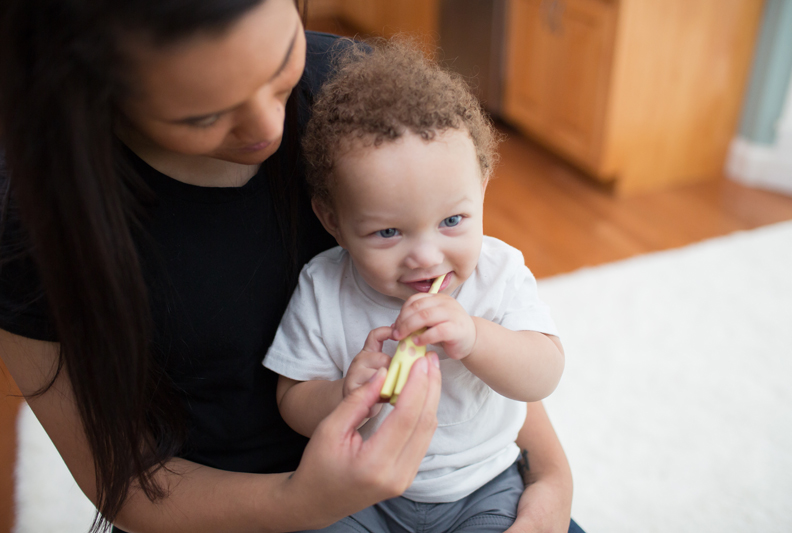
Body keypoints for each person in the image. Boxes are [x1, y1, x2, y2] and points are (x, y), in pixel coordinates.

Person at [0, 0, 577, 531]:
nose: (271, 131)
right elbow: (125, 482)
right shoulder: (26, 215)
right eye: (205, 117)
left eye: (280, 69)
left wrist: (551, 476)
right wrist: (305, 498)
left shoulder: (360, 102)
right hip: (248, 508)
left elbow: (502, 336)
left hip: (479, 484)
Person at [264, 41, 577, 533]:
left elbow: (543, 375)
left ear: (484, 185)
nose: (427, 257)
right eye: (388, 232)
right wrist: (344, 393)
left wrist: (474, 337)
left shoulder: (499, 274)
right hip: (357, 493)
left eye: (452, 220)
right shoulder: (323, 286)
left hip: (482, 487)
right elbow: (292, 398)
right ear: (333, 221)